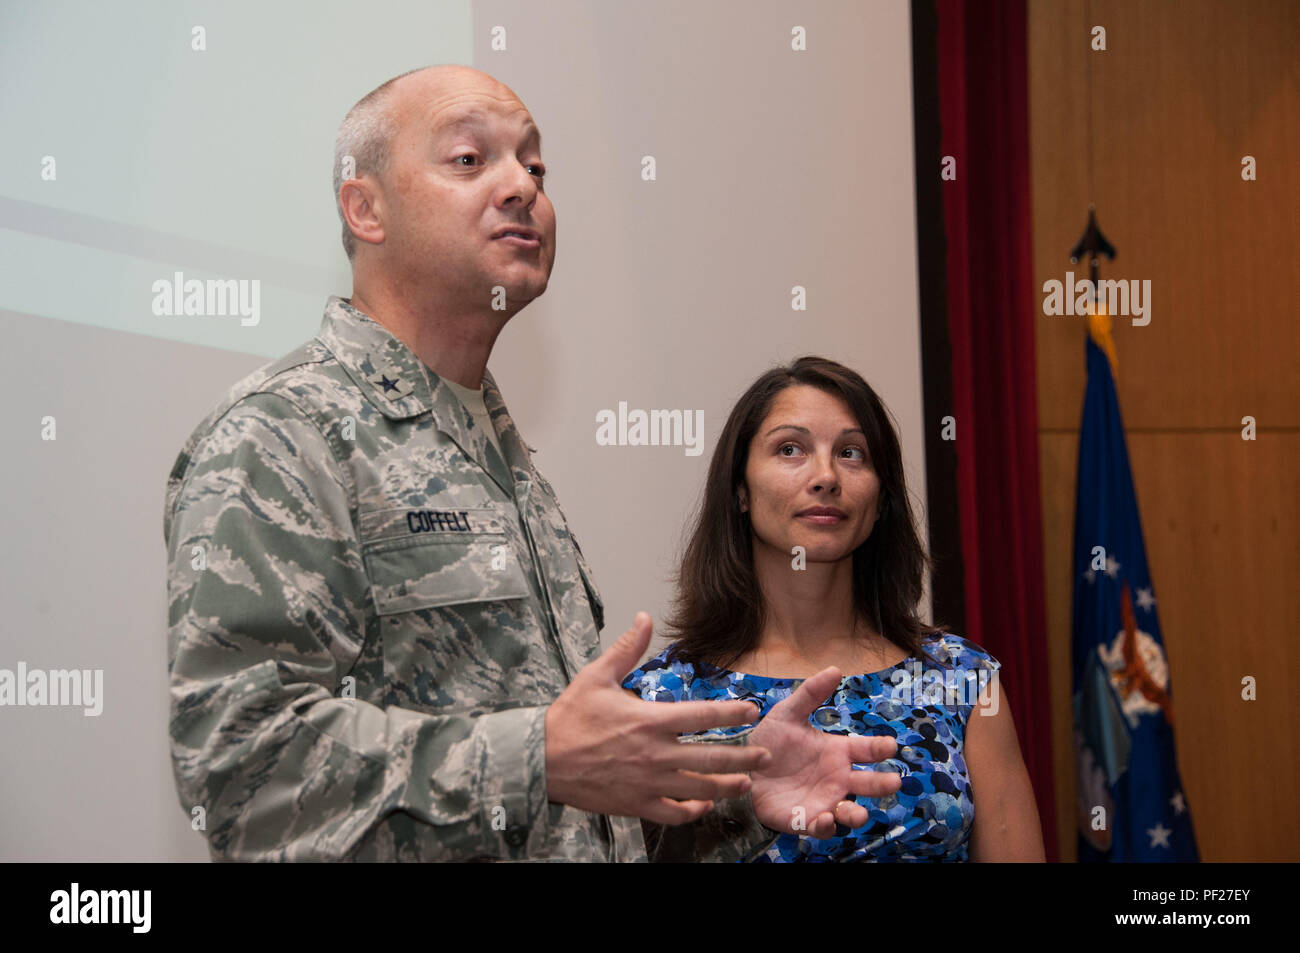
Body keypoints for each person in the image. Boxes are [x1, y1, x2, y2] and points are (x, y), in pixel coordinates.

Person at [163, 65, 902, 862]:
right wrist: (537, 755)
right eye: (470, 160)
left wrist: (729, 793)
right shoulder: (283, 433)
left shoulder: (507, 466)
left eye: (536, 166)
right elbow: (239, 765)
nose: (522, 186)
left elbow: (568, 810)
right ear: (364, 207)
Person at [624, 357, 1046, 861]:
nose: (825, 476)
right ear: (740, 489)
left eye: (851, 453)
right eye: (790, 449)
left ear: (881, 495)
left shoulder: (962, 678)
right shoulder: (658, 699)